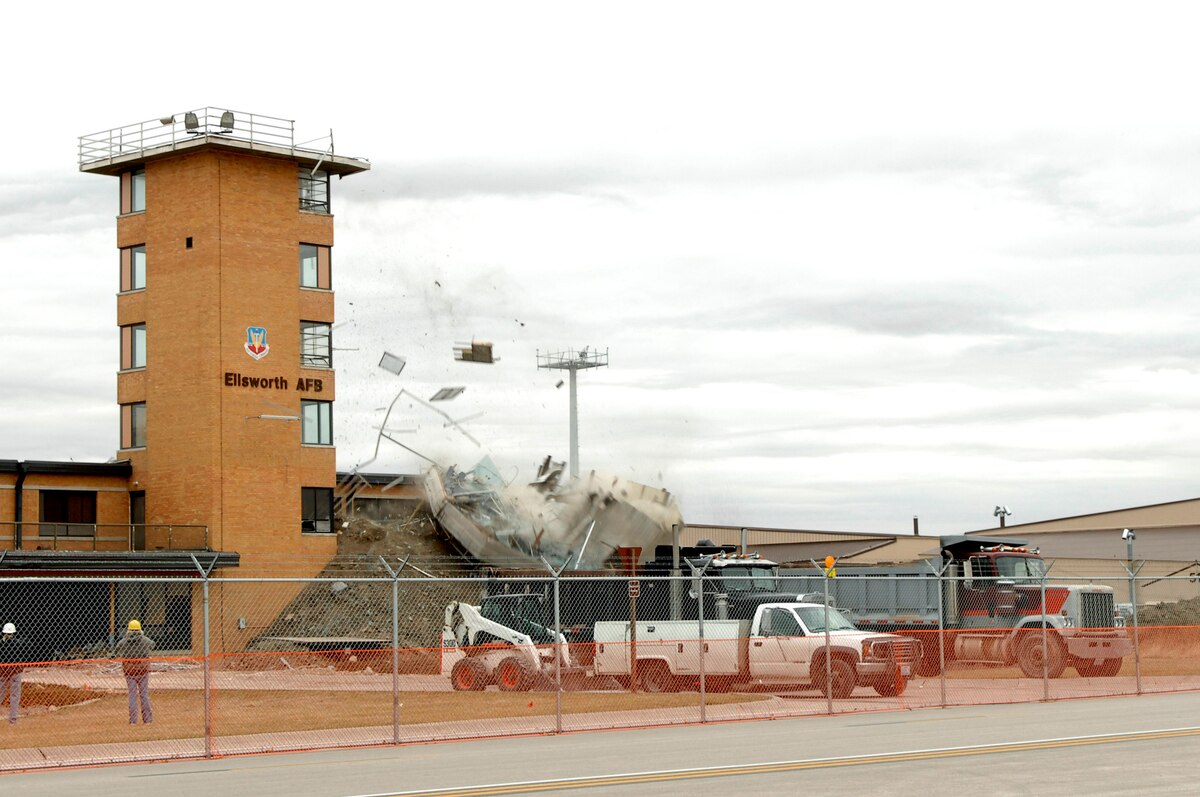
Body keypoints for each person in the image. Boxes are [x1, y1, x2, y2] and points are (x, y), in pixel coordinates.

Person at [114, 619, 155, 724]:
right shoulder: (145, 641)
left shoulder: (123, 642)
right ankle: (148, 720)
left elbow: (116, 650)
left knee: (132, 695)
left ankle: (133, 721)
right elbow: (152, 645)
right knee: (144, 694)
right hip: (143, 671)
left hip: (129, 672)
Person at [0, 622, 25, 724]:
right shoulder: (18, 643)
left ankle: (13, 718)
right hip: (13, 670)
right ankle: (13, 719)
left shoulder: (2, 644)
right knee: (14, 695)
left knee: (2, 693)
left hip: (4, 671)